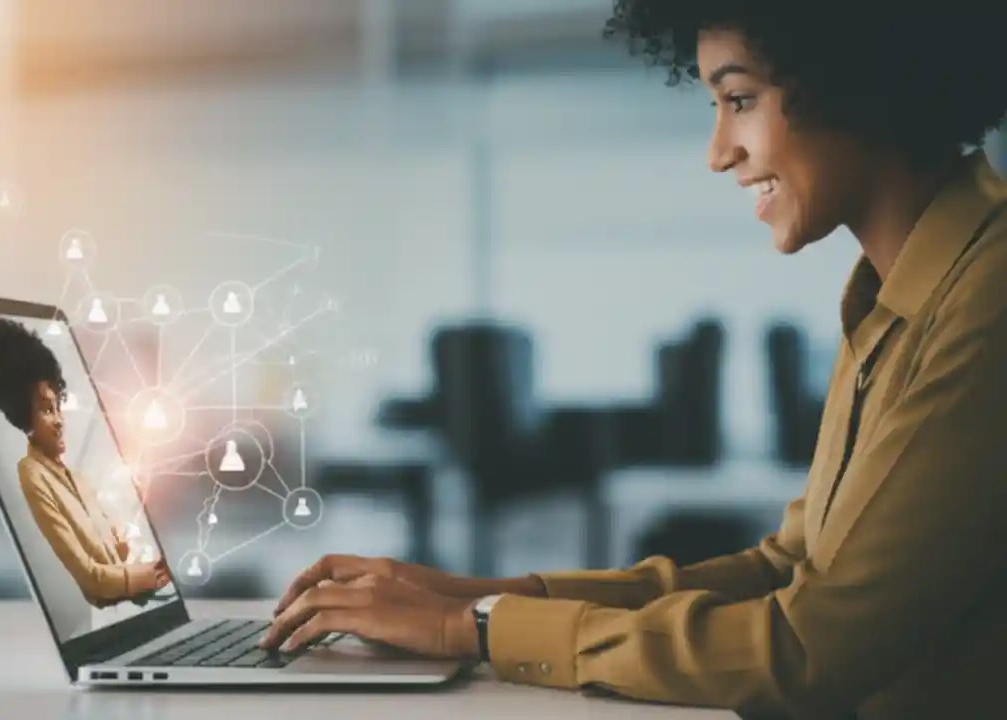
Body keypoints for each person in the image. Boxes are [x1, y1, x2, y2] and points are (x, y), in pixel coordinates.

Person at [259, 2, 1007, 717]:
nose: (719, 152)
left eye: (740, 100)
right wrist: (472, 596)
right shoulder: (893, 299)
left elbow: (811, 648)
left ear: (853, 76)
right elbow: (784, 570)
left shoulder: (988, 300)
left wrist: (474, 629)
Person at [0, 316, 171, 608]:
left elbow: (116, 555)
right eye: (46, 410)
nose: (59, 420)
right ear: (23, 414)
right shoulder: (31, 472)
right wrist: (145, 577)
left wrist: (135, 549)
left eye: (58, 406)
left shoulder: (79, 480)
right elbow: (92, 580)